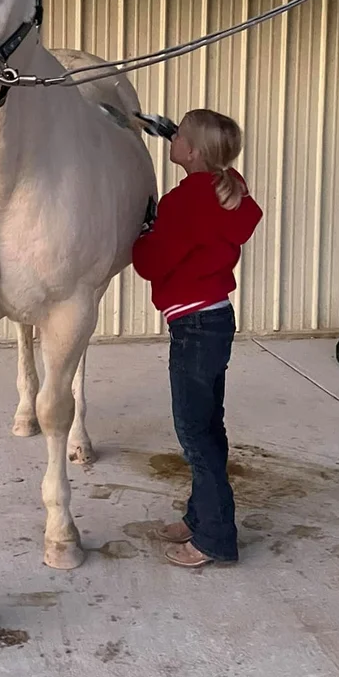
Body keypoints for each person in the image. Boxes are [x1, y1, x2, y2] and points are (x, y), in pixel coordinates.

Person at [132, 109, 263, 569]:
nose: (172, 138)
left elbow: (150, 263)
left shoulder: (185, 201)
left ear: (191, 151)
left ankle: (214, 539)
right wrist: (182, 139)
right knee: (209, 426)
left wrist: (142, 232)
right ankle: (199, 516)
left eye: (179, 136)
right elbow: (227, 180)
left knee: (194, 434)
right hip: (215, 319)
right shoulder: (227, 190)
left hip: (193, 328)